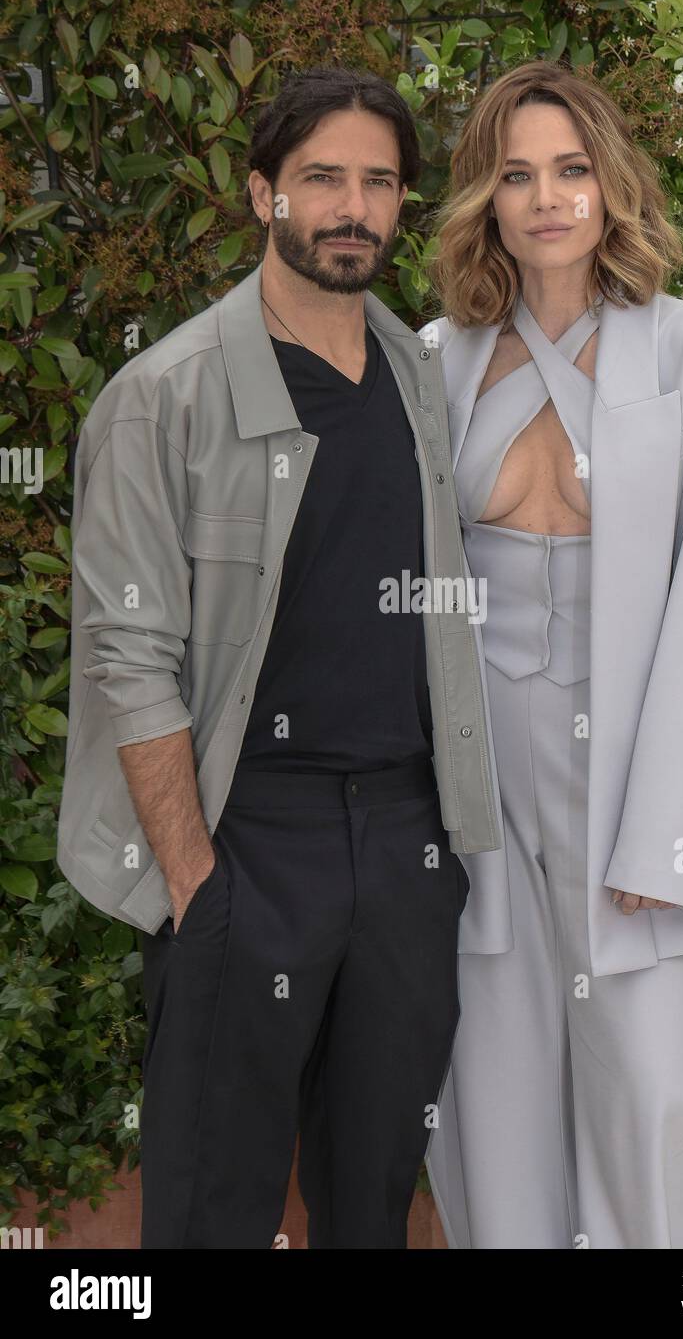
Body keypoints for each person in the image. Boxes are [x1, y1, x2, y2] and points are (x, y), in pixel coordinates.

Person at [56, 66, 503, 1249]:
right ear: (262, 194)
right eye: (321, 180)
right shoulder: (164, 399)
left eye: (376, 182)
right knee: (212, 1207)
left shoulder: (419, 376)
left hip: (404, 847)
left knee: (373, 1200)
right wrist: (200, 886)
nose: (351, 207)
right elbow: (126, 659)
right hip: (248, 844)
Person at [419, 59, 683, 1249]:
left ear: (610, 183)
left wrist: (672, 824)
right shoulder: (435, 356)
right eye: (516, 174)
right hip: (474, 765)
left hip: (629, 762)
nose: (547, 199)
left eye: (571, 169)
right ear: (484, 198)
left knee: (645, 1093)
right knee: (486, 1090)